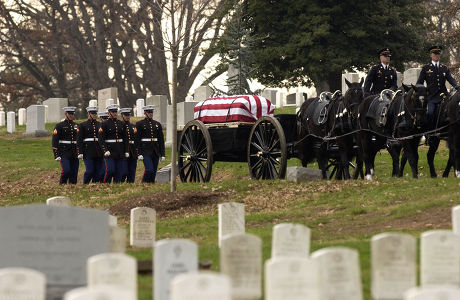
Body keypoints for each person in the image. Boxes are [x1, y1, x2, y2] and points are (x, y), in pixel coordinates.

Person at [417, 45, 459, 129]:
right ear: (430, 55)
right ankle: (429, 131)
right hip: (431, 97)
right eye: (435, 53)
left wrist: (458, 86)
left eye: (438, 53)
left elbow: (451, 80)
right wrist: (422, 90)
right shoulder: (426, 68)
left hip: (444, 97)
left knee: (452, 110)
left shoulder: (444, 68)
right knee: (430, 113)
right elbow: (419, 83)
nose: (437, 55)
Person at [98, 104, 129, 183]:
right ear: (109, 113)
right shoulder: (104, 124)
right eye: (113, 112)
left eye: (116, 111)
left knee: (119, 172)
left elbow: (125, 139)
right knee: (110, 170)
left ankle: (116, 186)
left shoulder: (121, 124)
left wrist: (126, 151)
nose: (115, 113)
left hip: (119, 151)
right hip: (110, 151)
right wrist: (105, 150)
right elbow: (101, 139)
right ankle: (105, 184)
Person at [136, 105, 165, 183]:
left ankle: (151, 184)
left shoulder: (157, 124)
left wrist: (162, 154)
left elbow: (161, 140)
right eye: (149, 112)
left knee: (154, 171)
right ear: (145, 113)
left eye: (151, 112)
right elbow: (137, 140)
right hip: (145, 151)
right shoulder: (139, 124)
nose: (151, 114)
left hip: (155, 151)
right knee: (149, 169)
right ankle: (143, 183)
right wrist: (139, 153)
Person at [51, 106, 79, 184]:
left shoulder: (76, 125)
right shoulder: (59, 126)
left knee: (74, 172)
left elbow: (79, 140)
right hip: (64, 152)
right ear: (65, 114)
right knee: (66, 170)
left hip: (74, 152)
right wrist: (56, 154)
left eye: (72, 114)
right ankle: (62, 185)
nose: (71, 115)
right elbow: (55, 141)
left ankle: (72, 187)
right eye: (69, 113)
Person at [77, 106, 105, 183]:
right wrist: (80, 152)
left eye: (95, 113)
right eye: (93, 113)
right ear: (89, 114)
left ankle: (94, 185)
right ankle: (85, 184)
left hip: (98, 151)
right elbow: (79, 140)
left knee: (98, 171)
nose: (95, 115)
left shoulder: (100, 124)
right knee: (90, 170)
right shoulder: (82, 125)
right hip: (87, 151)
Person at [120, 108, 139, 183]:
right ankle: (120, 182)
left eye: (128, 115)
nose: (127, 117)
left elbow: (136, 138)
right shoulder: (120, 125)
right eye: (126, 115)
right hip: (124, 150)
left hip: (133, 150)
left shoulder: (133, 126)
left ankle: (130, 183)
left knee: (132, 170)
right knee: (124, 170)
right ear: (122, 116)